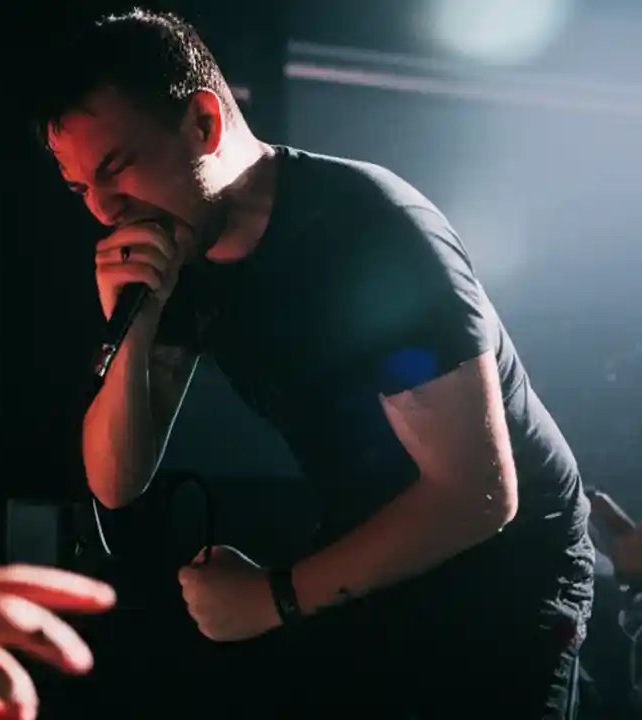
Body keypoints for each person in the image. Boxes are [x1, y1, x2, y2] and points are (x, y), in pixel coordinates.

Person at [35, 8, 594, 717]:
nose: (105, 211)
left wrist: (273, 599)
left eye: (117, 168)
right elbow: (115, 484)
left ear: (203, 124)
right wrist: (137, 325)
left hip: (508, 566)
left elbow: (478, 493)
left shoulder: (367, 231)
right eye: (82, 187)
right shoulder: (172, 251)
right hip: (368, 539)